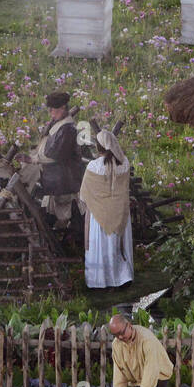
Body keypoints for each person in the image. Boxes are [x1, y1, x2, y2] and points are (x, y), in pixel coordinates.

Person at [21, 91, 85, 229]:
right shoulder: (60, 125)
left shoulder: (67, 129)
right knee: (56, 212)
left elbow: (55, 155)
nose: (51, 113)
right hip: (56, 179)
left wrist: (32, 159)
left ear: (63, 108)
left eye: (53, 110)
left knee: (63, 214)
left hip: (65, 179)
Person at [79, 129, 133, 289]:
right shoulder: (125, 163)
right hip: (120, 213)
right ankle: (122, 277)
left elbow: (84, 193)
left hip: (99, 214)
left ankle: (101, 280)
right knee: (117, 246)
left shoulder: (93, 166)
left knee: (101, 247)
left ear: (98, 147)